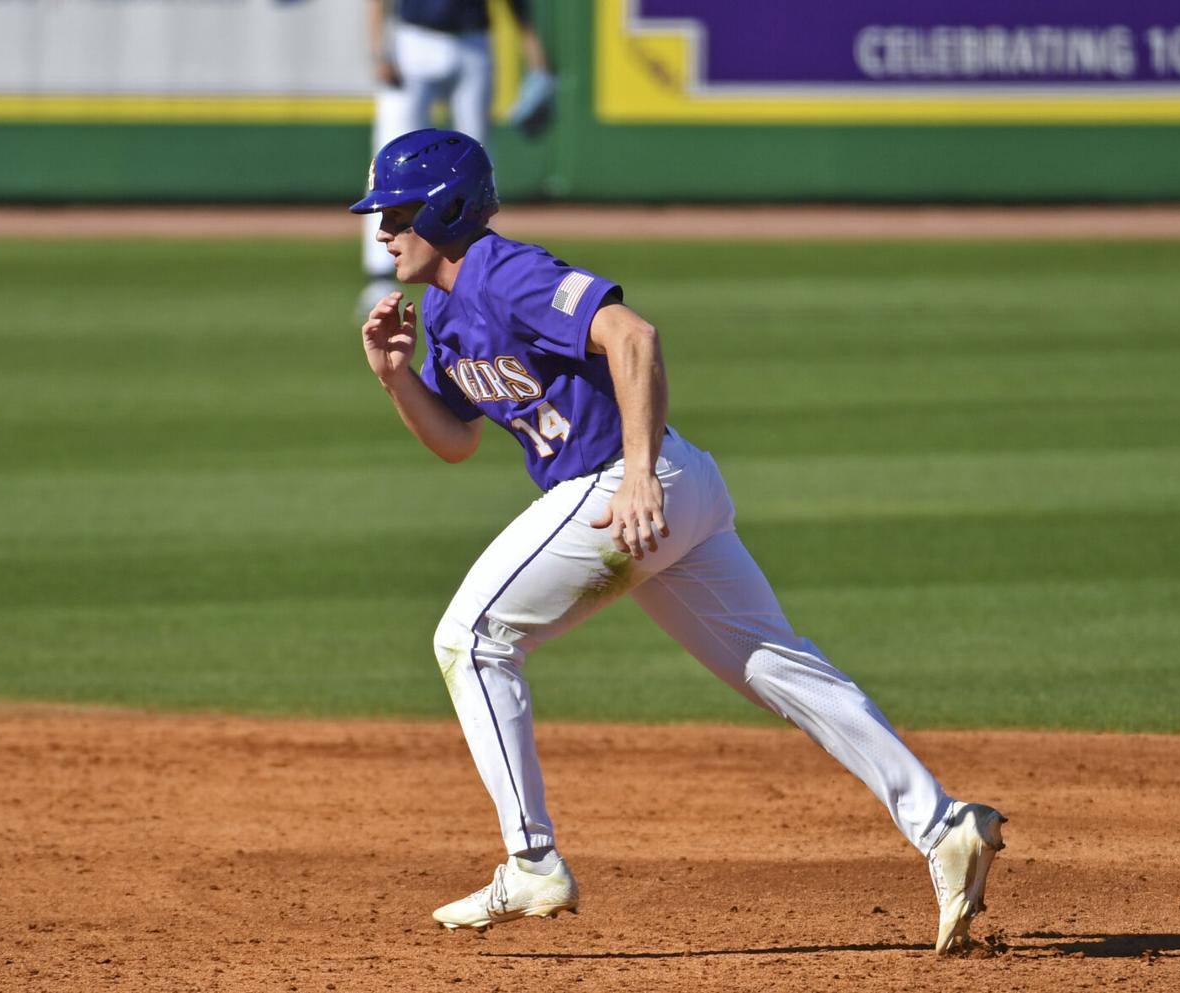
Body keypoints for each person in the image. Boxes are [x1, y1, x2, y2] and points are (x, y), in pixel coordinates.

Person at [350, 128, 1007, 954]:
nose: (382, 230)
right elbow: (457, 441)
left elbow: (635, 336)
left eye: (397, 211)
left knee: (470, 638)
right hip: (668, 492)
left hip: (630, 487)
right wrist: (394, 375)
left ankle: (531, 857)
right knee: (779, 665)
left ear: (446, 205)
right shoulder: (442, 311)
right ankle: (943, 823)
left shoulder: (503, 271)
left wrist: (632, 475)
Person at [360, 0, 553, 315]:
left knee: (475, 164)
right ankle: (381, 275)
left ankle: (480, 269)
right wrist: (380, 50)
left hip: (474, 42)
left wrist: (537, 62)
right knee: (388, 164)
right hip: (413, 41)